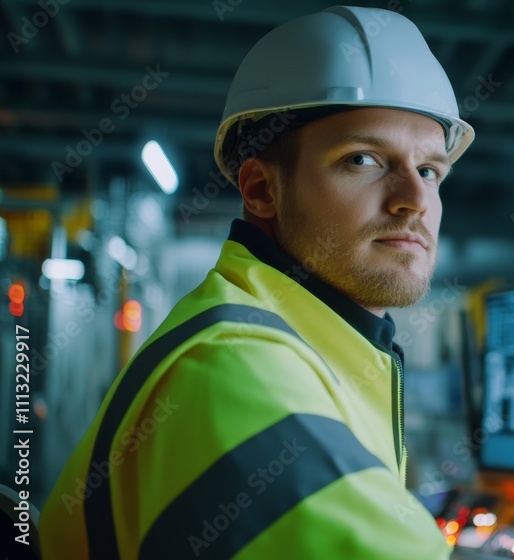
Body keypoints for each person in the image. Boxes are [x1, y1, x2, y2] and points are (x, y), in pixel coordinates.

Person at [39, 6, 473, 559]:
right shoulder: (234, 366)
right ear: (262, 190)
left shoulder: (312, 346)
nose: (414, 199)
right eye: (363, 159)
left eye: (430, 170)